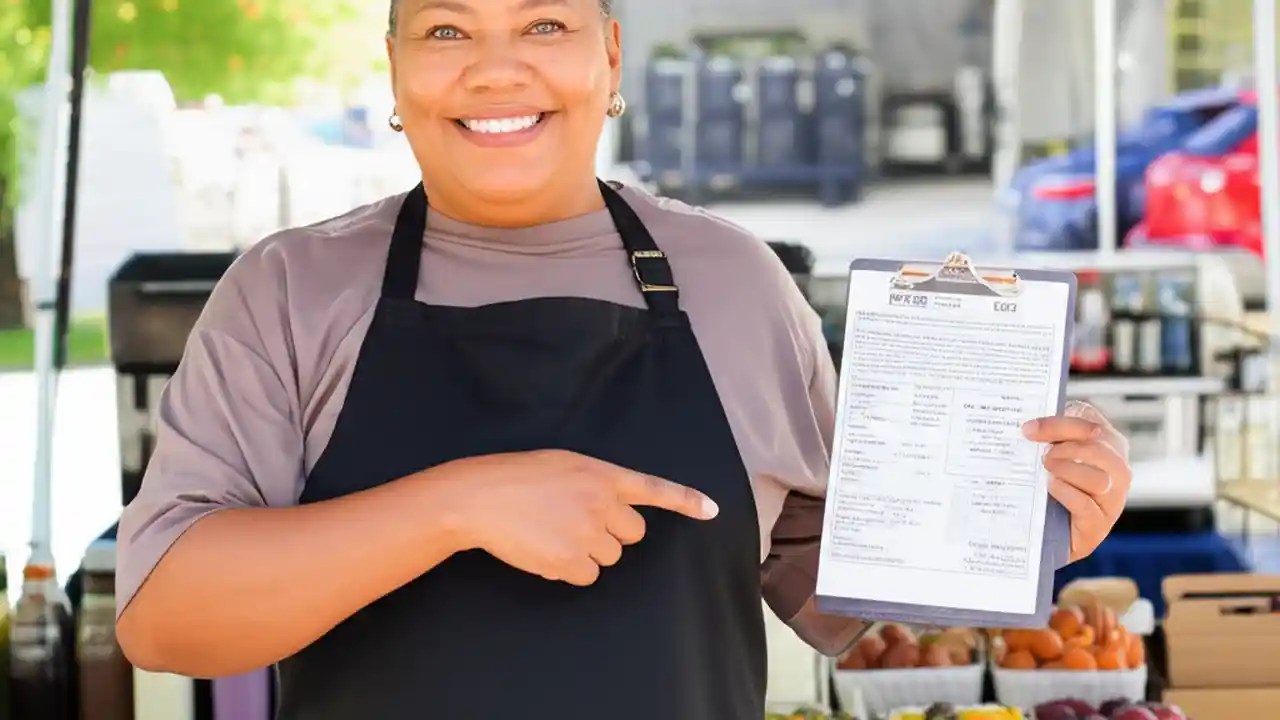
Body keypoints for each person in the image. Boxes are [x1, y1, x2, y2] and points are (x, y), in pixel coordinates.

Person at [114, 0, 1134, 717]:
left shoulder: (734, 284)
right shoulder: (291, 290)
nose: (495, 67)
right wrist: (454, 506)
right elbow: (165, 620)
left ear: (608, 58)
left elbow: (841, 596)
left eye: (543, 26)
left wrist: (1025, 511)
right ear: (394, 69)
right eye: (445, 30)